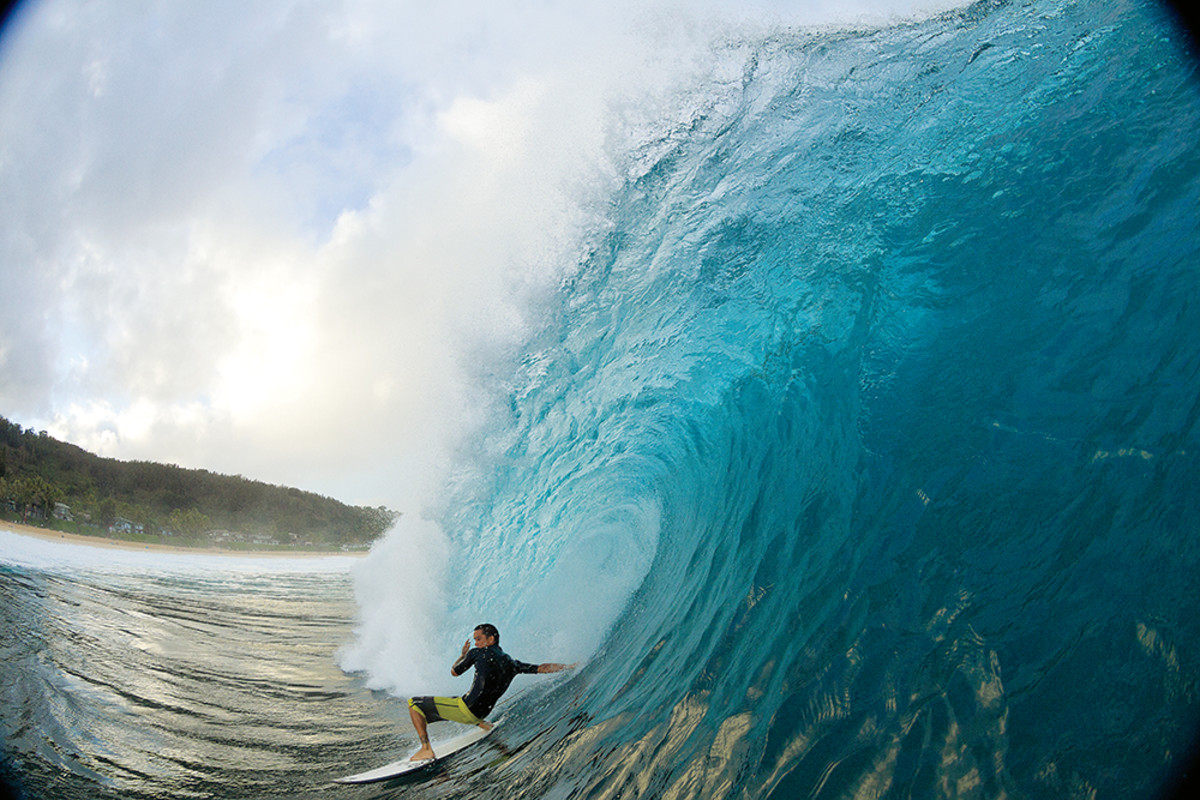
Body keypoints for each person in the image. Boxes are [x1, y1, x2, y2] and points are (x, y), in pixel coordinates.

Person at [407, 623, 575, 761]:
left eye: (479, 639)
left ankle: (426, 748)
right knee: (454, 700)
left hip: (467, 709)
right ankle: (484, 725)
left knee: (414, 703)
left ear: (491, 638)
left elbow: (454, 672)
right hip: (482, 712)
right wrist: (568, 667)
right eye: (475, 640)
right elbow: (541, 668)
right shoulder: (511, 663)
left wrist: (462, 656)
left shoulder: (476, 653)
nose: (476, 643)